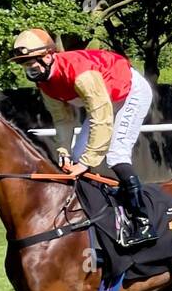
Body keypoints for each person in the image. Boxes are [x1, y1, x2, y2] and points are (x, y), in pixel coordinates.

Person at [10, 29, 157, 243]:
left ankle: (143, 222)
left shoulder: (81, 73)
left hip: (130, 92)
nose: (29, 68)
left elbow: (102, 117)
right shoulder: (44, 83)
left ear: (49, 55)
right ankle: (98, 215)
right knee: (77, 158)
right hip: (104, 100)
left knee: (116, 154)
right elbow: (63, 119)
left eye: (32, 61)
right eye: (24, 63)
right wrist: (64, 151)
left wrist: (89, 161)